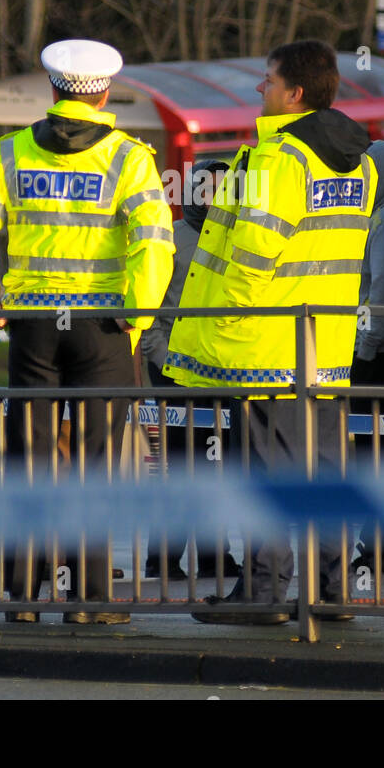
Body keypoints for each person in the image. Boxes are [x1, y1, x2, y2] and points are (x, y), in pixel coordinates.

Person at [0, 39, 174, 625]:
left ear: (54, 90)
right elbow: (154, 242)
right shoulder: (131, 158)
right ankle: (90, 601)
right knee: (97, 462)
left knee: (30, 458)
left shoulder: (9, 152)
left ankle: (23, 598)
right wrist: (142, 312)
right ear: (104, 92)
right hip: (104, 327)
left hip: (33, 325)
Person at [164, 40, 377, 624]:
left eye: (268, 80)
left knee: (265, 475)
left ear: (294, 94)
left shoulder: (280, 159)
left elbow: (256, 252)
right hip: (326, 345)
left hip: (266, 346)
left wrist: (224, 317)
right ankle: (332, 593)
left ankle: (261, 595)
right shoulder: (355, 160)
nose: (261, 88)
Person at [140, 158, 240, 581]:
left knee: (213, 467)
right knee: (183, 468)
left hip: (219, 371)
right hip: (176, 374)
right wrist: (169, 366)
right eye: (207, 189)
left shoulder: (235, 240)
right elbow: (153, 317)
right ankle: (163, 558)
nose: (214, 197)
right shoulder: (173, 242)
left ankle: (213, 555)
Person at [350, 139, 384, 573]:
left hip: (377, 352)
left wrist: (364, 346)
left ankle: (375, 544)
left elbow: (380, 287)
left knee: (370, 450)